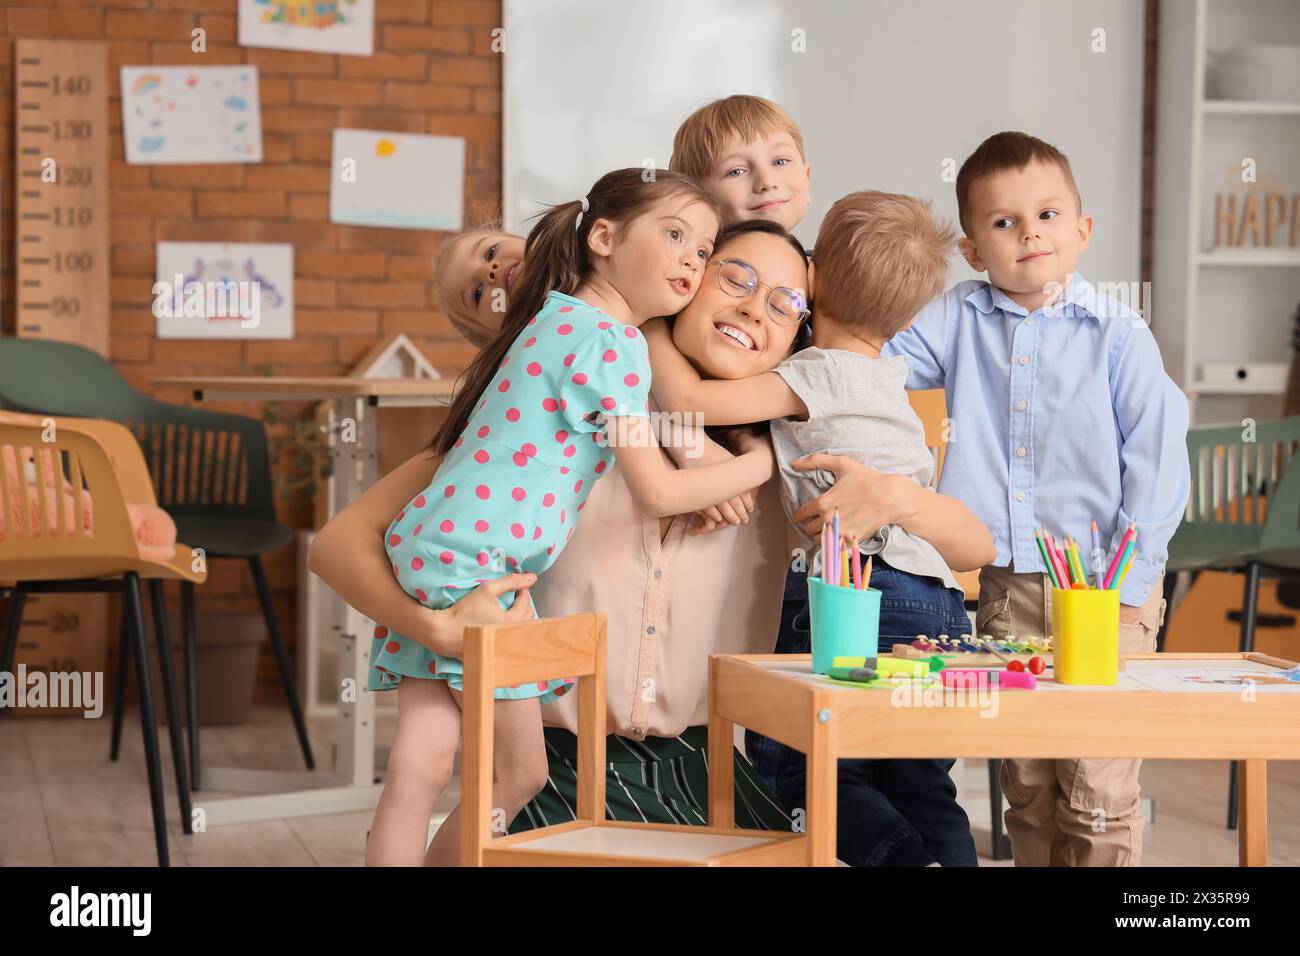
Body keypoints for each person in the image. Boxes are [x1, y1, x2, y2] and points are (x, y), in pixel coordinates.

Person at [338, 168, 774, 866]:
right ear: (601, 237)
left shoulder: (545, 325)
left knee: (419, 770)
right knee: (522, 774)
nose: (694, 258)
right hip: (483, 571)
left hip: (431, 550)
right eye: (674, 237)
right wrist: (758, 464)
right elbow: (658, 490)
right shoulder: (611, 343)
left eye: (704, 246)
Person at [645, 191, 995, 865]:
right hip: (941, 603)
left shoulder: (813, 372)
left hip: (858, 594)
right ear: (906, 316)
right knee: (923, 782)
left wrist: (649, 323)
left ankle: (900, 862)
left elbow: (688, 399)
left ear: (816, 280)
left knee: (804, 765)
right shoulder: (886, 377)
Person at [883, 131, 1191, 866]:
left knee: (1098, 782)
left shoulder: (1118, 333)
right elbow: (877, 362)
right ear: (972, 249)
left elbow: (1157, 456)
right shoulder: (957, 317)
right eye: (1004, 222)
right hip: (1008, 587)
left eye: (1049, 215)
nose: (1030, 234)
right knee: (1028, 783)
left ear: (1082, 231)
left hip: (1105, 590)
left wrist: (1133, 582)